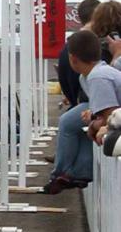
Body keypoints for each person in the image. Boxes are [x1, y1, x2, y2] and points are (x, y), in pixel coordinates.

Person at [46, 30, 121, 194]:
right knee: (82, 128)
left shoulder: (97, 77)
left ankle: (65, 172)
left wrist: (94, 123)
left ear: (72, 59)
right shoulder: (92, 74)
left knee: (72, 125)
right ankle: (79, 172)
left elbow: (111, 116)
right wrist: (94, 116)